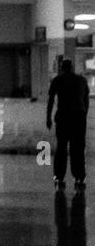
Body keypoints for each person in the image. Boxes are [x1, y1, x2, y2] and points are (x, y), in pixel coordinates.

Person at [47, 58, 90, 190]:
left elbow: (51, 100)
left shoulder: (57, 80)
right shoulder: (82, 80)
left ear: (61, 68)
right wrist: (84, 115)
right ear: (72, 67)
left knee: (61, 148)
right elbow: (86, 100)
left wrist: (48, 118)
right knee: (78, 148)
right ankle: (79, 176)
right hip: (79, 117)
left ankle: (59, 177)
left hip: (64, 116)